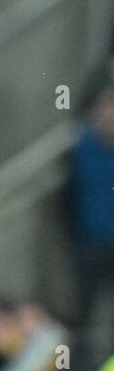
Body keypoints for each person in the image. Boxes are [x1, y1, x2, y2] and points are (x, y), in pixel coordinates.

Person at [68, 82, 114, 332]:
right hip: (89, 242)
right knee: (84, 309)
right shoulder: (83, 147)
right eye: (106, 109)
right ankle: (79, 363)